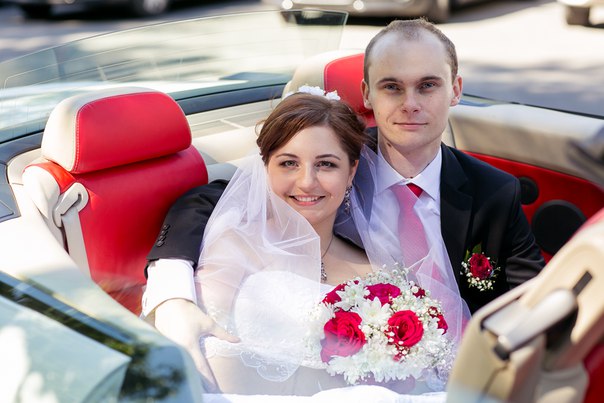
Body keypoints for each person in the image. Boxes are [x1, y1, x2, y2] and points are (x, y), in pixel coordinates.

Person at [143, 17, 544, 393]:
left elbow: (533, 300)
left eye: (427, 86)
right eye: (391, 87)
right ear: (367, 92)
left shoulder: (494, 192)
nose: (410, 103)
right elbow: (207, 201)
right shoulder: (335, 159)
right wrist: (172, 295)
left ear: (455, 90)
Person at [146, 91, 467, 399]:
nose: (306, 182)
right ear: (265, 166)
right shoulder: (236, 246)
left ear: (351, 171)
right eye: (288, 163)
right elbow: (205, 361)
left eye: (326, 164)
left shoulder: (378, 267)